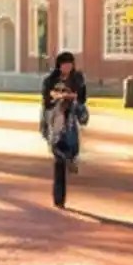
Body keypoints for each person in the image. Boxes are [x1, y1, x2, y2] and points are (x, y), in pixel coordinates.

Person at [41, 51, 88, 209]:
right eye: (64, 64)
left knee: (72, 146)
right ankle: (59, 198)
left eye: (70, 64)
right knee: (58, 160)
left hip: (71, 119)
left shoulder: (77, 79)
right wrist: (57, 98)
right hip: (56, 119)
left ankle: (72, 157)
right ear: (59, 65)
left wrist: (71, 97)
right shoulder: (50, 80)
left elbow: (81, 98)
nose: (67, 67)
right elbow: (46, 100)